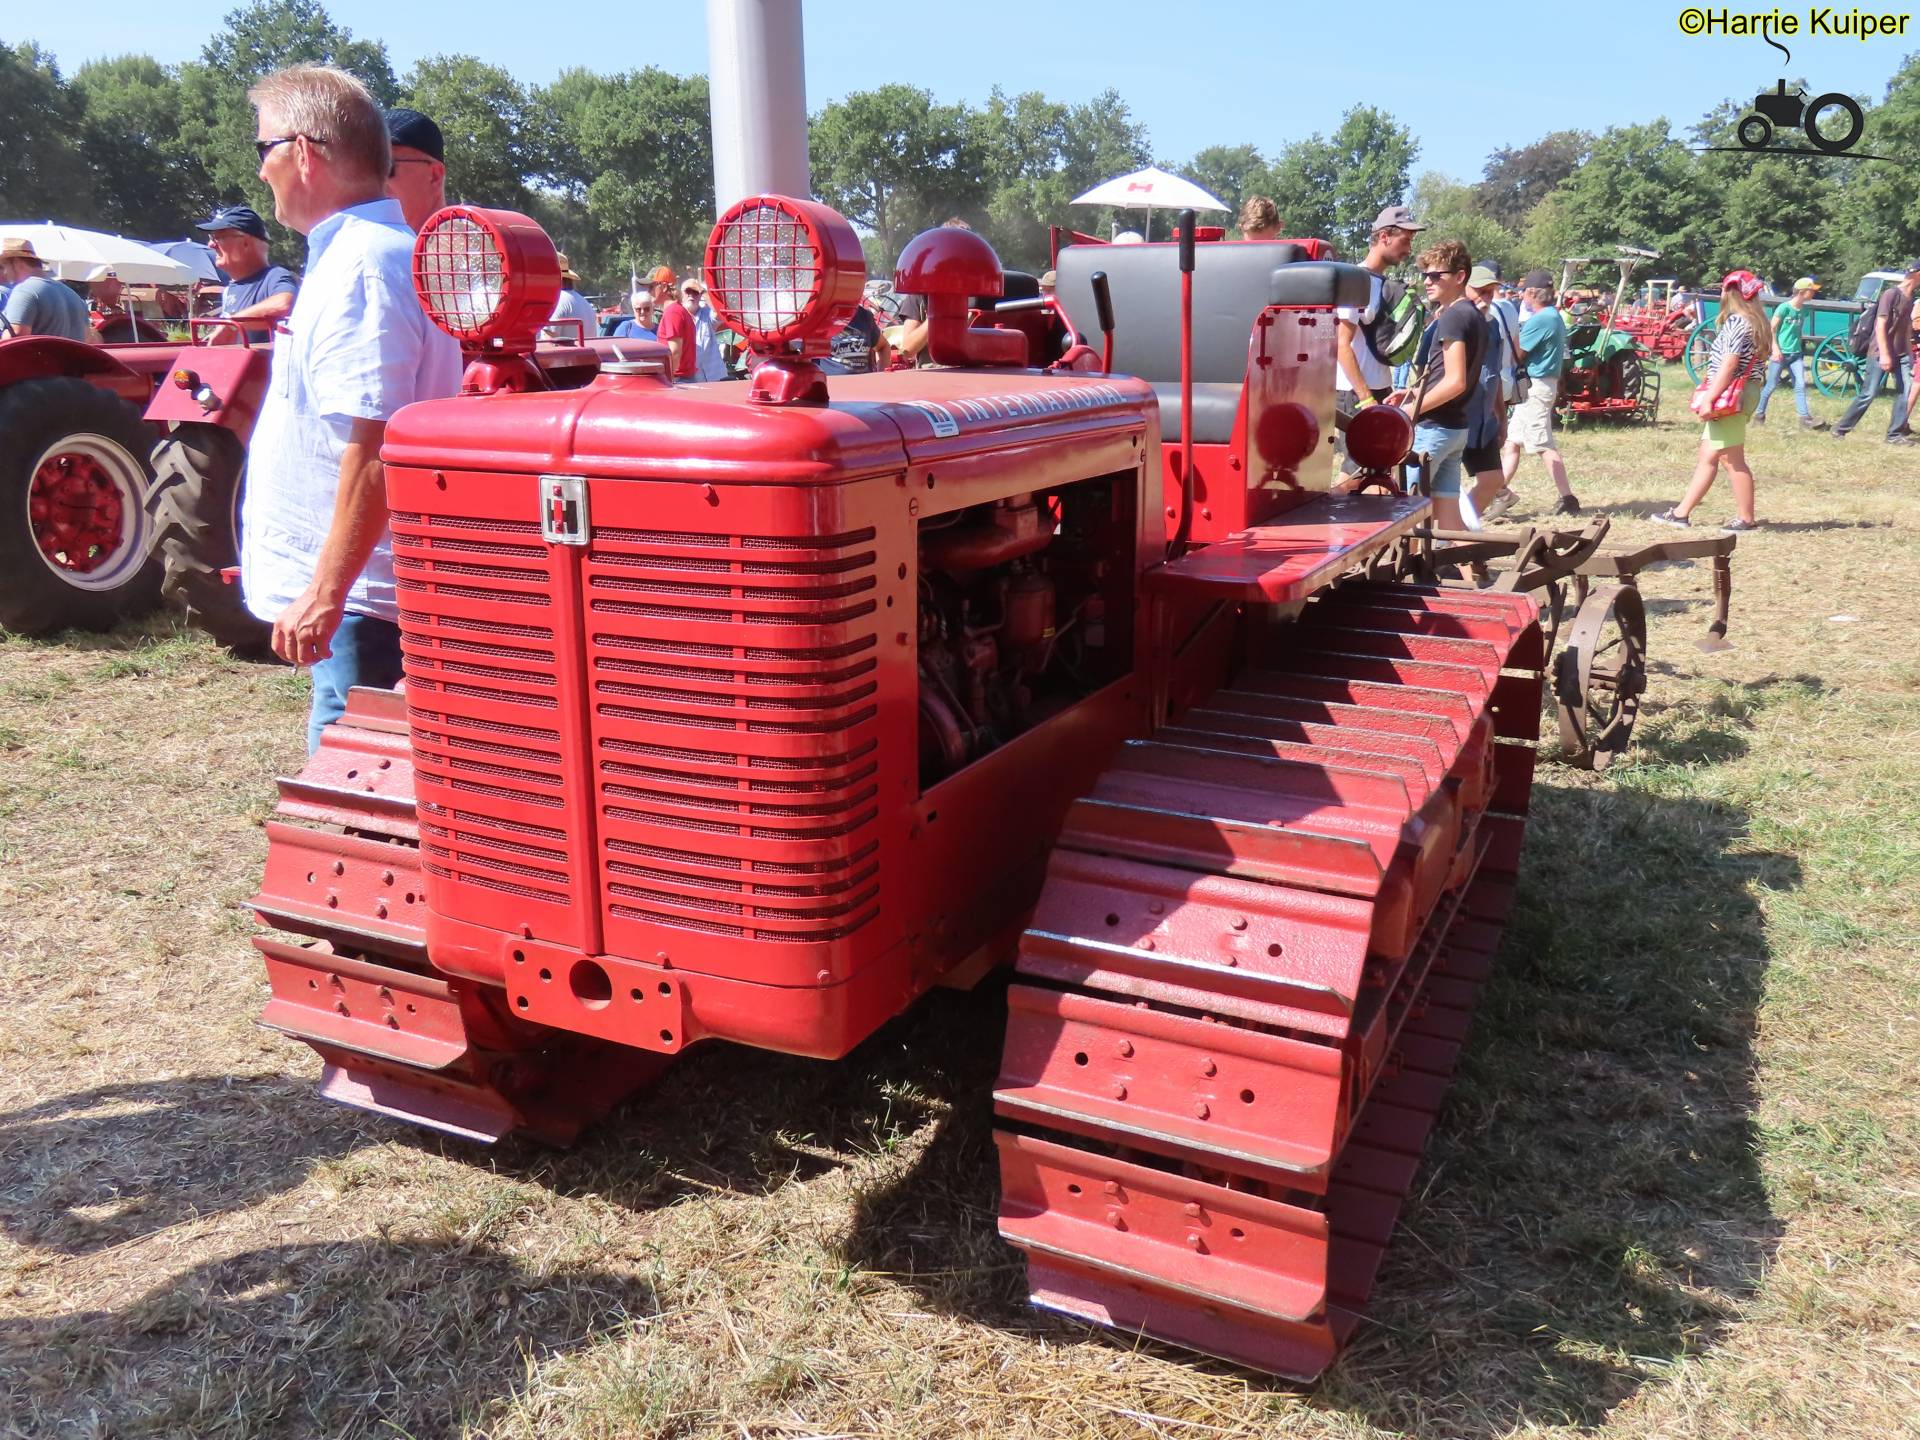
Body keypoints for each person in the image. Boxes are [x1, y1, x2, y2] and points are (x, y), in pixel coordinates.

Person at [240, 64, 462, 751]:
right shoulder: (369, 255)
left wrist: (326, 593)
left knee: (357, 808)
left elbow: (375, 446)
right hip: (363, 600)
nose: (260, 173)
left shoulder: (363, 264)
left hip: (363, 608)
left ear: (302, 152)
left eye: (263, 150)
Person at [1651, 270, 1768, 531]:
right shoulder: (1756, 320)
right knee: (1708, 456)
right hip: (1742, 391)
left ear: (1730, 293)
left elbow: (1729, 363)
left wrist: (1710, 398)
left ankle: (1746, 519)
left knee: (1732, 459)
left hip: (1730, 394)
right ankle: (1681, 513)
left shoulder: (1739, 321)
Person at [1386, 239, 1483, 532]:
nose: (1427, 282)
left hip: (1433, 433)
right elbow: (1451, 377)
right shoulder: (1474, 315)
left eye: (1436, 275)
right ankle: (1475, 576)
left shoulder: (1454, 316)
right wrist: (1414, 391)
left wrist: (1407, 413)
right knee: (1450, 521)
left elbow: (1455, 382)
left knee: (1407, 522)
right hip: (1455, 430)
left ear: (1460, 276)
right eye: (1425, 274)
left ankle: (1407, 578)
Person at [1333, 205, 1424, 488]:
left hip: (1379, 389)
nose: (1408, 249)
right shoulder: (1355, 281)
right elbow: (1341, 345)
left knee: (1380, 472)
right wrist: (1366, 398)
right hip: (1355, 392)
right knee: (1358, 473)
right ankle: (1338, 526)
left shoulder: (1381, 282)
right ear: (1384, 236)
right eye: (1404, 240)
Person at [1499, 269, 1580, 517]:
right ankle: (1498, 491)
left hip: (1536, 387)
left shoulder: (1541, 319)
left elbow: (1518, 353)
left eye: (1524, 291)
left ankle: (1568, 499)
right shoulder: (1553, 316)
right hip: (1538, 385)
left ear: (1533, 293)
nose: (1521, 295)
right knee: (1512, 442)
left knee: (1543, 444)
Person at [1831, 259, 1919, 446]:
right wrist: (1885, 354)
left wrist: (1909, 355)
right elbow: (1880, 325)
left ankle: (1894, 435)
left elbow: (1906, 328)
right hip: (1880, 351)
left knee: (1905, 391)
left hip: (1902, 353)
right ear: (1916, 274)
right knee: (1869, 393)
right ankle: (1841, 428)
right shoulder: (1891, 294)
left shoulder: (1910, 298)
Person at [1462, 264, 1518, 528]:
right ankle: (1442, 537)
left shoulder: (1493, 325)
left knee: (1493, 479)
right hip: (1455, 416)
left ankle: (1456, 531)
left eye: (1490, 292)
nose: (1486, 298)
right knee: (1434, 488)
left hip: (1483, 419)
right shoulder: (1453, 322)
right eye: (1480, 291)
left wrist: (1501, 418)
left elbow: (1493, 374)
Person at [197, 205, 297, 340]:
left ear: (245, 243)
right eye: (211, 237)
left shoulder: (275, 277)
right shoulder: (229, 290)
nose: (211, 244)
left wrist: (230, 325)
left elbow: (284, 305)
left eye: (218, 237)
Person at [1753, 276, 1825, 429]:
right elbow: (1772, 328)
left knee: (1800, 384)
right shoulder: (1784, 308)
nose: (1813, 294)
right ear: (1802, 292)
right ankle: (1759, 415)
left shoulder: (1804, 310)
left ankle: (1805, 418)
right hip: (1780, 354)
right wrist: (1775, 348)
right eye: (1811, 291)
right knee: (1771, 385)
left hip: (1795, 354)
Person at [0, 237, 93, 340]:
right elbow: (88, 338)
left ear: (17, 263)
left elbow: (15, 337)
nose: (5, 272)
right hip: (70, 356)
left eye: (4, 266)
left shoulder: (25, 291)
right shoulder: (75, 297)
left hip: (37, 356)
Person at [383, 107, 447, 232]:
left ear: (435, 176)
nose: (372, 181)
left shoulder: (473, 246)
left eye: (386, 167)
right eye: (369, 168)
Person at [681, 278, 731, 380]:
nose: (691, 295)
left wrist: (703, 291)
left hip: (715, 377)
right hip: (692, 380)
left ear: (700, 296)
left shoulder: (707, 313)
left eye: (695, 292)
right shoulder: (677, 317)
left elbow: (720, 312)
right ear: (682, 295)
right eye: (687, 291)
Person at [544, 253, 598, 342]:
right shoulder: (584, 302)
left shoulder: (557, 301)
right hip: (583, 355)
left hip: (563, 356)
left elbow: (549, 340)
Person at [828, 299, 891, 374]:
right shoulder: (820, 316)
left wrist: (881, 376)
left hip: (864, 383)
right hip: (832, 384)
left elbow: (883, 346)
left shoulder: (864, 316)